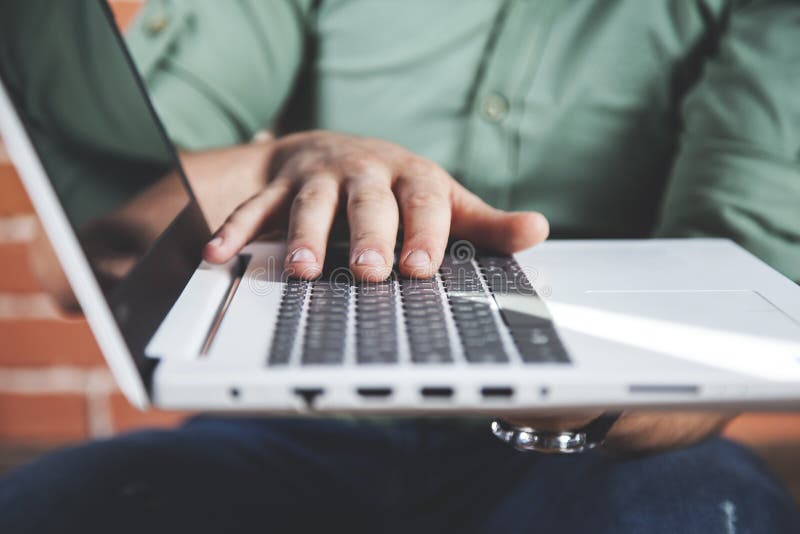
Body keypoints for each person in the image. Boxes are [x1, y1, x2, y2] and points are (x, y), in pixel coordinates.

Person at [2, 1, 800, 532]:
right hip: (296, 429)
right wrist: (278, 161)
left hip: (599, 447)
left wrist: (582, 394)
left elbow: (743, 321)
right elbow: (69, 265)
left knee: (704, 514)